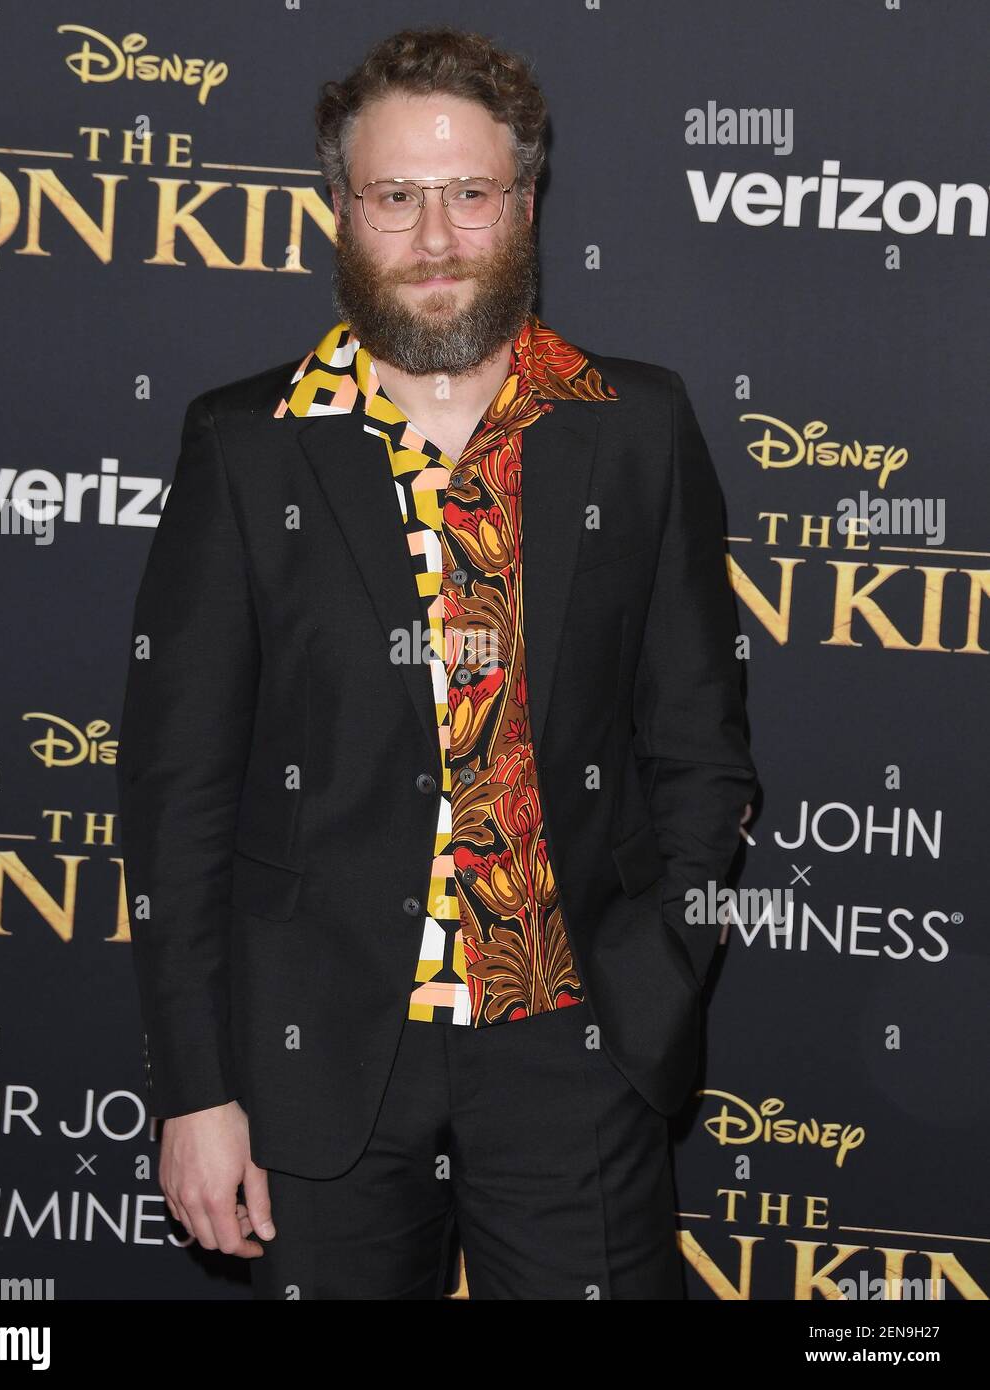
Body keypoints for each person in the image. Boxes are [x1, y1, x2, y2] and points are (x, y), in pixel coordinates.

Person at [116, 24, 758, 1300]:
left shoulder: (633, 428)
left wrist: (651, 986)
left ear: (523, 203)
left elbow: (699, 745)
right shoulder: (247, 447)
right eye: (393, 196)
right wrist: (197, 1091)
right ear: (337, 208)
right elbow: (175, 797)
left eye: (467, 193)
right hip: (319, 1065)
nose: (432, 236)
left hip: (576, 1048)